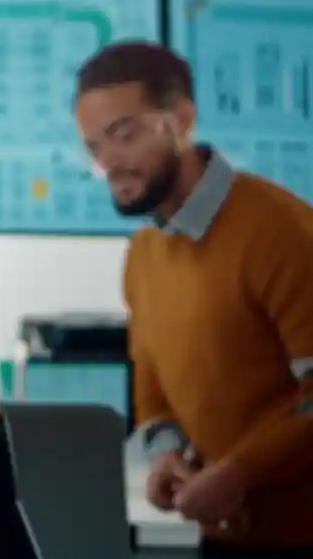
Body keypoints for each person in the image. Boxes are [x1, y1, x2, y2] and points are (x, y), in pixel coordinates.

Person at [73, 41, 313, 558]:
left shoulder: (284, 230)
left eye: (124, 135)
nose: (110, 163)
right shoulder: (144, 254)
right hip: (224, 534)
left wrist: (237, 473)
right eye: (94, 149)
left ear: (180, 120)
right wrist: (166, 457)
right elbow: (154, 390)